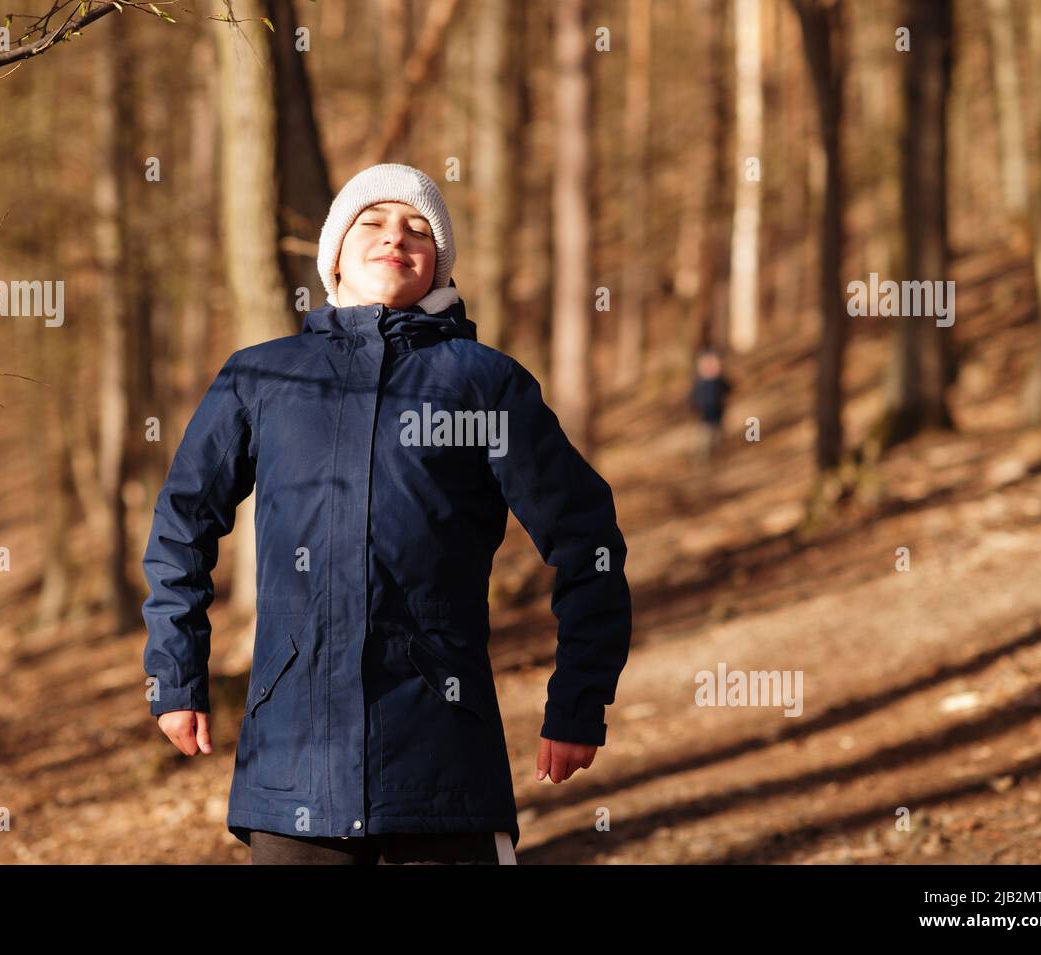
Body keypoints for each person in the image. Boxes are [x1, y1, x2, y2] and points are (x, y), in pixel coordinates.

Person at [141, 163, 632, 865]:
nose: (394, 238)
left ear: (439, 264)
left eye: (418, 229)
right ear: (334, 253)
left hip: (444, 768)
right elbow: (181, 524)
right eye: (371, 222)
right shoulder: (262, 376)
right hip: (289, 769)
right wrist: (176, 673)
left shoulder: (483, 382)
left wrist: (580, 699)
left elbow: (588, 540)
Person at [688, 347, 732, 465]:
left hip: (718, 413)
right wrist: (694, 407)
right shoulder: (700, 382)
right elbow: (693, 397)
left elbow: (729, 388)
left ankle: (719, 457)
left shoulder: (719, 380)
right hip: (704, 416)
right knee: (705, 438)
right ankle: (704, 459)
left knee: (718, 436)